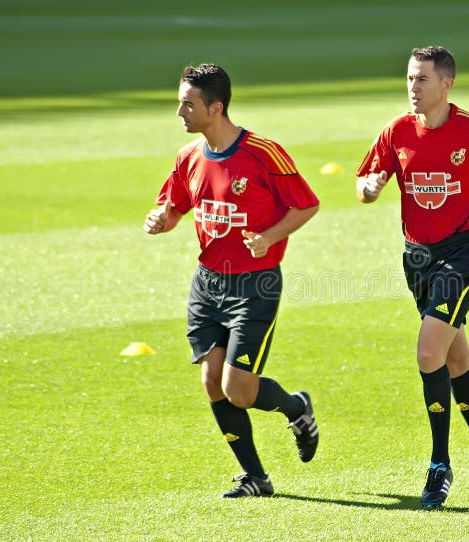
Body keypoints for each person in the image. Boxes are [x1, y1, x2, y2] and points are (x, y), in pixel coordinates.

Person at [356, 46, 469, 508]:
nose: (413, 88)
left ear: (446, 83)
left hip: (463, 251)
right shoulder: (396, 131)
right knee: (454, 360)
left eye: (422, 80)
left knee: (428, 351)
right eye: (410, 79)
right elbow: (367, 178)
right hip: (416, 257)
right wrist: (369, 188)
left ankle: (439, 465)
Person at [143, 63, 320, 498]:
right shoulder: (188, 158)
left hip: (254, 284)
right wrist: (160, 221)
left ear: (215, 107)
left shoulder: (263, 153)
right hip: (207, 284)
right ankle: (255, 477)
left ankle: (296, 407)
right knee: (211, 381)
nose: (180, 111)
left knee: (237, 389)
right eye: (180, 102)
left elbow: (306, 205)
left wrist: (268, 238)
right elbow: (174, 208)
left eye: (188, 103)